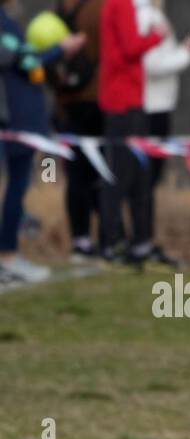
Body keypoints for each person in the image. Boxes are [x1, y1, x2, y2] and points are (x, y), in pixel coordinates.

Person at [0, 1, 85, 282]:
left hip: (21, 121)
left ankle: (9, 252)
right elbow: (26, 61)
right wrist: (61, 48)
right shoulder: (4, 24)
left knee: (18, 187)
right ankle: (8, 256)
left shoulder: (9, 23)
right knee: (17, 186)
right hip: (16, 122)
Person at [97, 0, 165, 265]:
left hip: (126, 99)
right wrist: (156, 36)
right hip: (123, 102)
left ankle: (138, 242)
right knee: (121, 175)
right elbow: (131, 47)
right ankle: (113, 242)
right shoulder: (121, 4)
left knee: (138, 174)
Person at [138, 0, 190, 267]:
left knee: (149, 180)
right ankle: (141, 241)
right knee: (145, 179)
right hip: (151, 108)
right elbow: (150, 65)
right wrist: (185, 52)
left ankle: (143, 240)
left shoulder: (154, 14)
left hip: (159, 106)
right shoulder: (145, 16)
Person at [52, 0, 105, 262]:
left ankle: (80, 239)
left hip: (65, 101)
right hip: (97, 99)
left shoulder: (60, 8)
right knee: (101, 172)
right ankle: (109, 237)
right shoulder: (103, 7)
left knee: (75, 175)